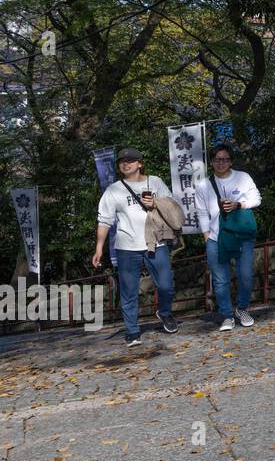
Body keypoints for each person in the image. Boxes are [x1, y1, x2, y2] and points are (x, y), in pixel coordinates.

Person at [92, 148, 181, 346]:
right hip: (126, 246)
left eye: (131, 160)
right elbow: (104, 220)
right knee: (129, 290)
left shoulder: (155, 181)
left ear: (140, 163)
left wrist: (155, 202)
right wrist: (99, 248)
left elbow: (172, 204)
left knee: (166, 285)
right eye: (122, 161)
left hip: (156, 242)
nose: (126, 164)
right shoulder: (113, 190)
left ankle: (165, 313)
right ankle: (132, 331)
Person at [196, 144, 262, 330]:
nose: (221, 162)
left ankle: (241, 309)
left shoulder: (243, 177)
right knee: (220, 279)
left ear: (231, 161)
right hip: (216, 238)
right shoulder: (204, 185)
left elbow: (257, 198)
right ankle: (226, 315)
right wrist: (207, 236)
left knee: (245, 275)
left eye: (225, 159)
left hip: (241, 235)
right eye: (217, 159)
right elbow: (201, 212)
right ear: (212, 162)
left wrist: (238, 204)